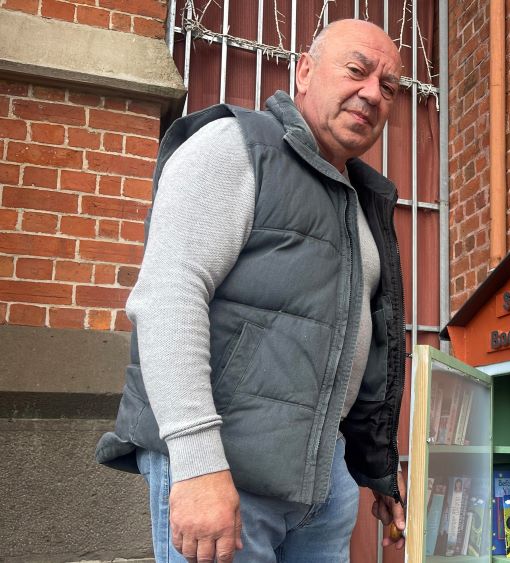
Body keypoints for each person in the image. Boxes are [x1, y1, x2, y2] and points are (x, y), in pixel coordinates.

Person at [96, 18, 408, 562]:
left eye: (388, 86)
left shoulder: (362, 201)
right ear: (304, 73)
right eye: (356, 70)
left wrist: (375, 468)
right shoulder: (235, 146)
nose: (372, 93)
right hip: (225, 475)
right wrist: (198, 463)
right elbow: (169, 296)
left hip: (322, 486)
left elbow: (356, 348)